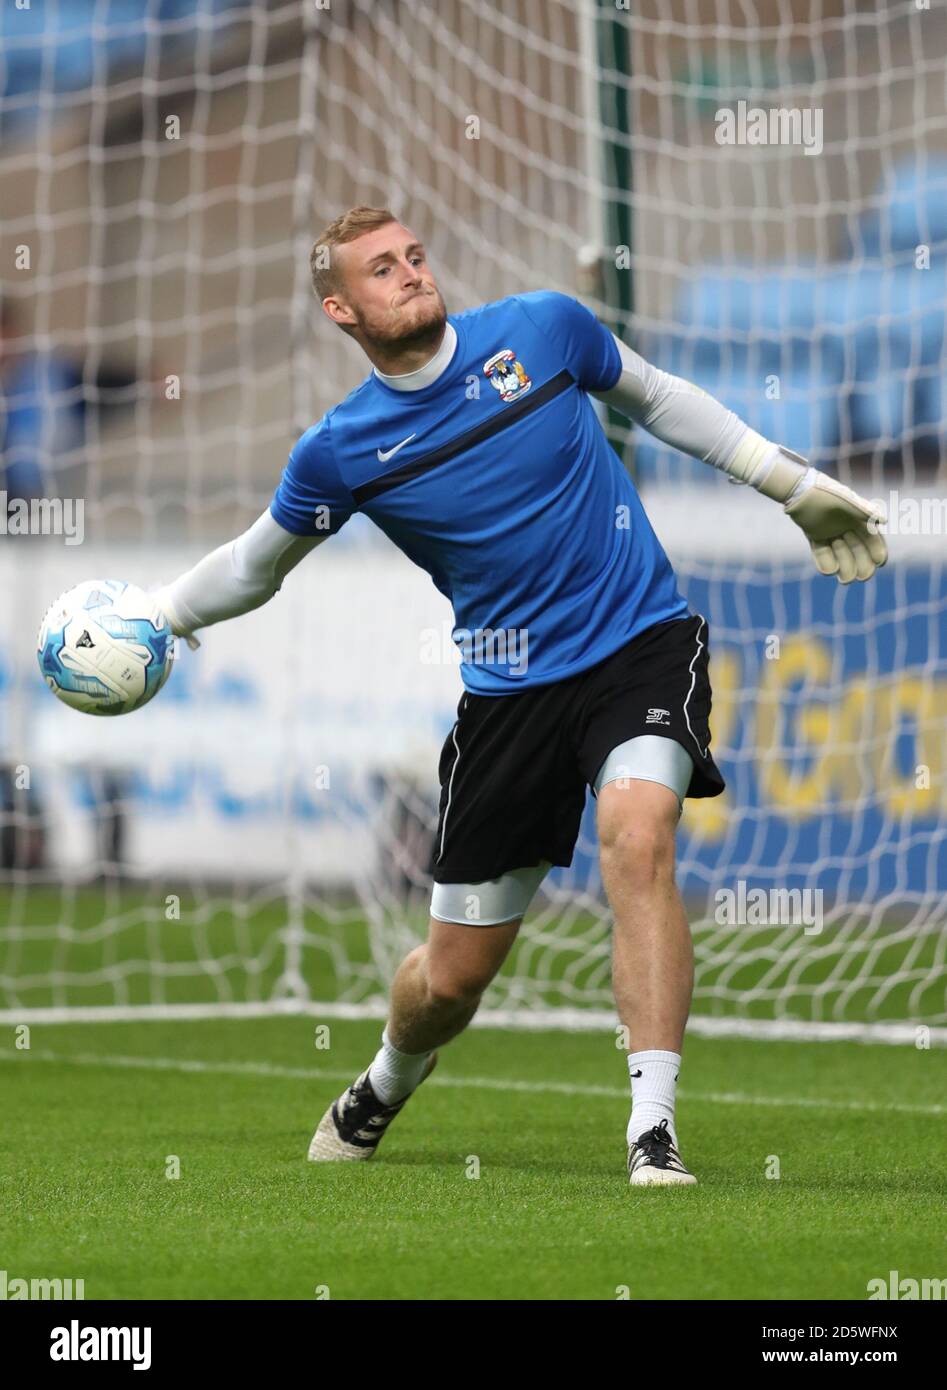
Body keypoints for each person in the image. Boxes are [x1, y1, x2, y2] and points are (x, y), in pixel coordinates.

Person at [155, 207, 886, 1186]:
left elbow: (660, 398)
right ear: (341, 308)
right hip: (507, 695)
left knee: (640, 830)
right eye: (382, 269)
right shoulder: (339, 452)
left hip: (639, 642)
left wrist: (789, 484)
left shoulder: (541, 330)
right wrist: (163, 616)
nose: (410, 273)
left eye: (415, 254)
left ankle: (651, 1126)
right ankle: (381, 1081)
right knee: (449, 981)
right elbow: (256, 565)